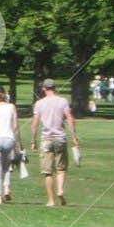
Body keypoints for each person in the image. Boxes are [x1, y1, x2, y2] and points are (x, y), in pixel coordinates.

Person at [31, 79, 78, 207]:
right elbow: (70, 119)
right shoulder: (62, 101)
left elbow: (35, 124)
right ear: (54, 88)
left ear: (44, 89)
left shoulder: (39, 103)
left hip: (46, 139)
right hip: (60, 138)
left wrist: (33, 140)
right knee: (61, 169)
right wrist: (74, 136)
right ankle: (60, 190)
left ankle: (51, 200)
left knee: (48, 172)